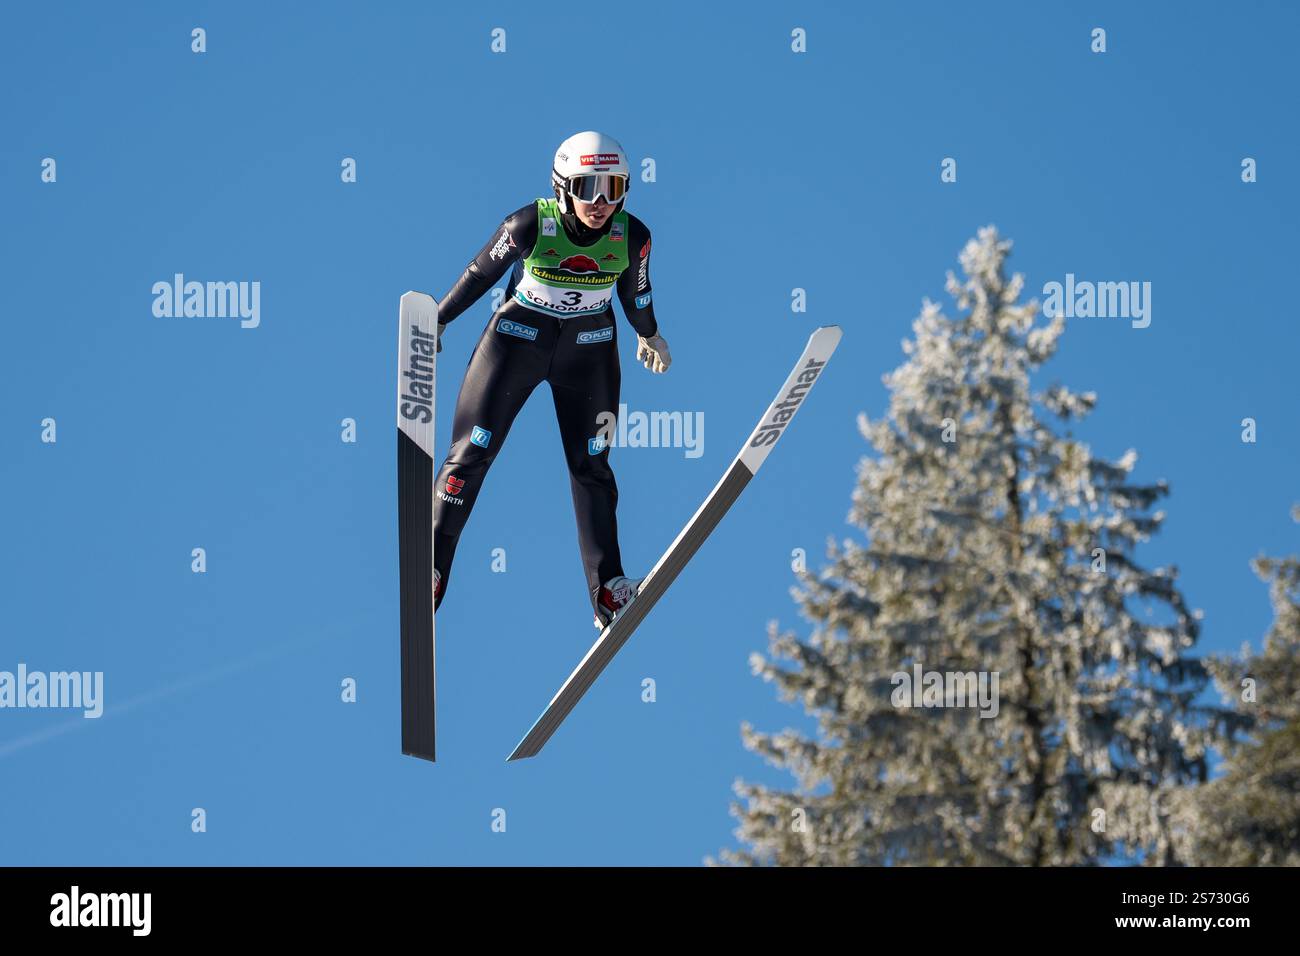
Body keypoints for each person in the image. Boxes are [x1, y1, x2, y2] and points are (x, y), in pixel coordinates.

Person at [431, 131, 671, 629]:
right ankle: (430, 564)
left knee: (593, 467)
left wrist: (650, 335)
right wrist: (438, 318)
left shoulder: (632, 236)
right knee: (473, 452)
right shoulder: (528, 224)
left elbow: (636, 295)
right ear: (562, 187)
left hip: (589, 351)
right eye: (587, 187)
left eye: (613, 187)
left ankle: (608, 591)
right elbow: (479, 273)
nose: (601, 202)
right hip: (517, 341)